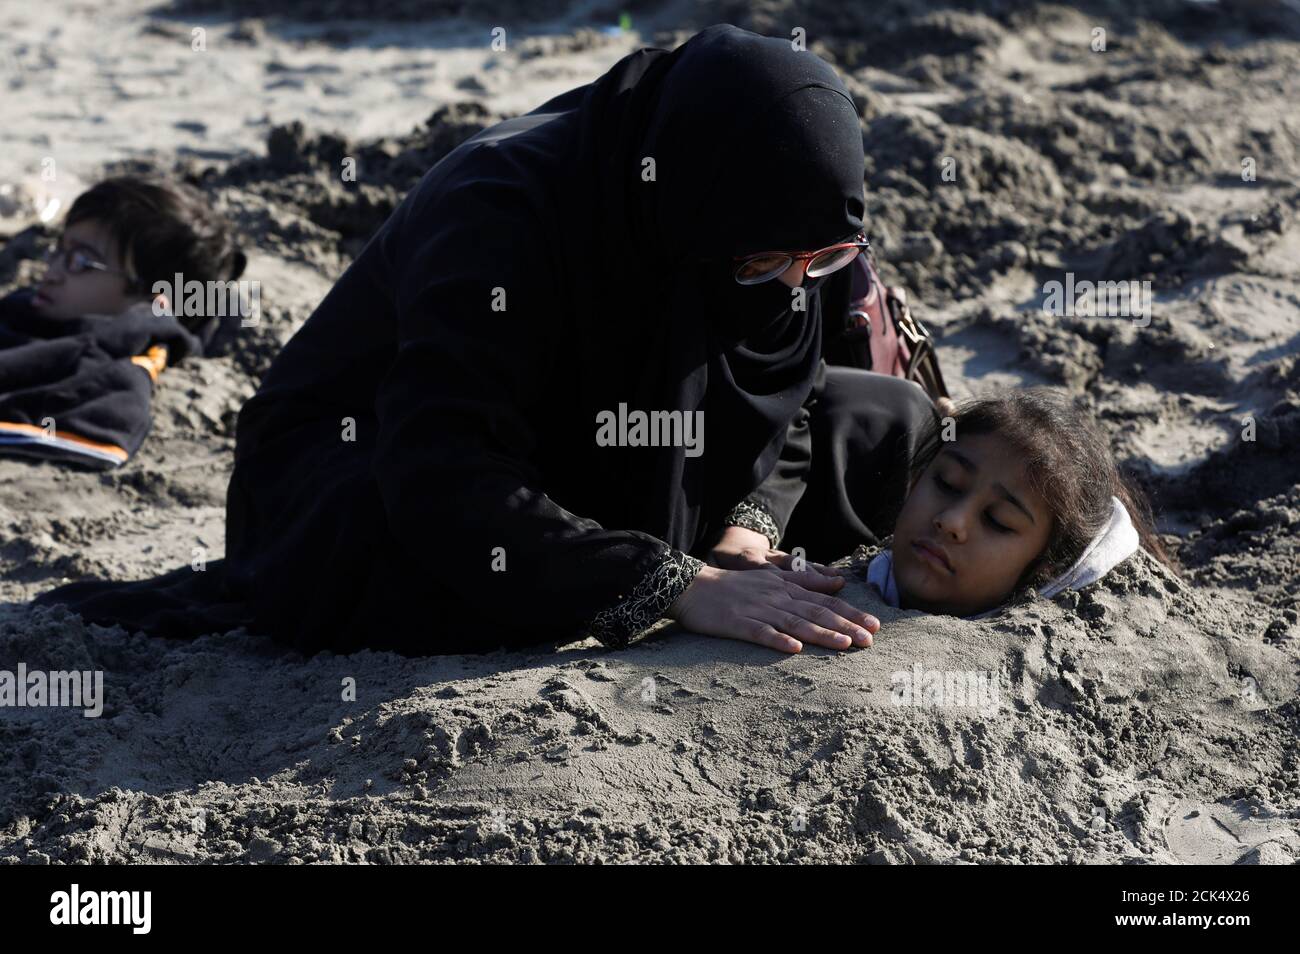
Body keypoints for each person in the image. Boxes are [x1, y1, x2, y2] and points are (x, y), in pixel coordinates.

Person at [38, 25, 938, 655]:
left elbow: (794, 387)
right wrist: (676, 585)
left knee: (889, 419)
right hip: (389, 460)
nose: (794, 286)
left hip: (631, 436)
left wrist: (744, 528)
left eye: (824, 262)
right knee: (423, 562)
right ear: (688, 209)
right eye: (765, 262)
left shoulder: (793, 223)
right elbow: (443, 467)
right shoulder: (501, 211)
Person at [857, 388, 1177, 618]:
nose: (952, 521)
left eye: (998, 520)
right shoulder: (836, 584)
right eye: (947, 483)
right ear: (916, 479)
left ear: (1047, 568)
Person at [0, 175, 244, 466]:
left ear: (150, 303)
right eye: (58, 250)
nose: (51, 272)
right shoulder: (21, 311)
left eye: (80, 261)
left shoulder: (107, 372)